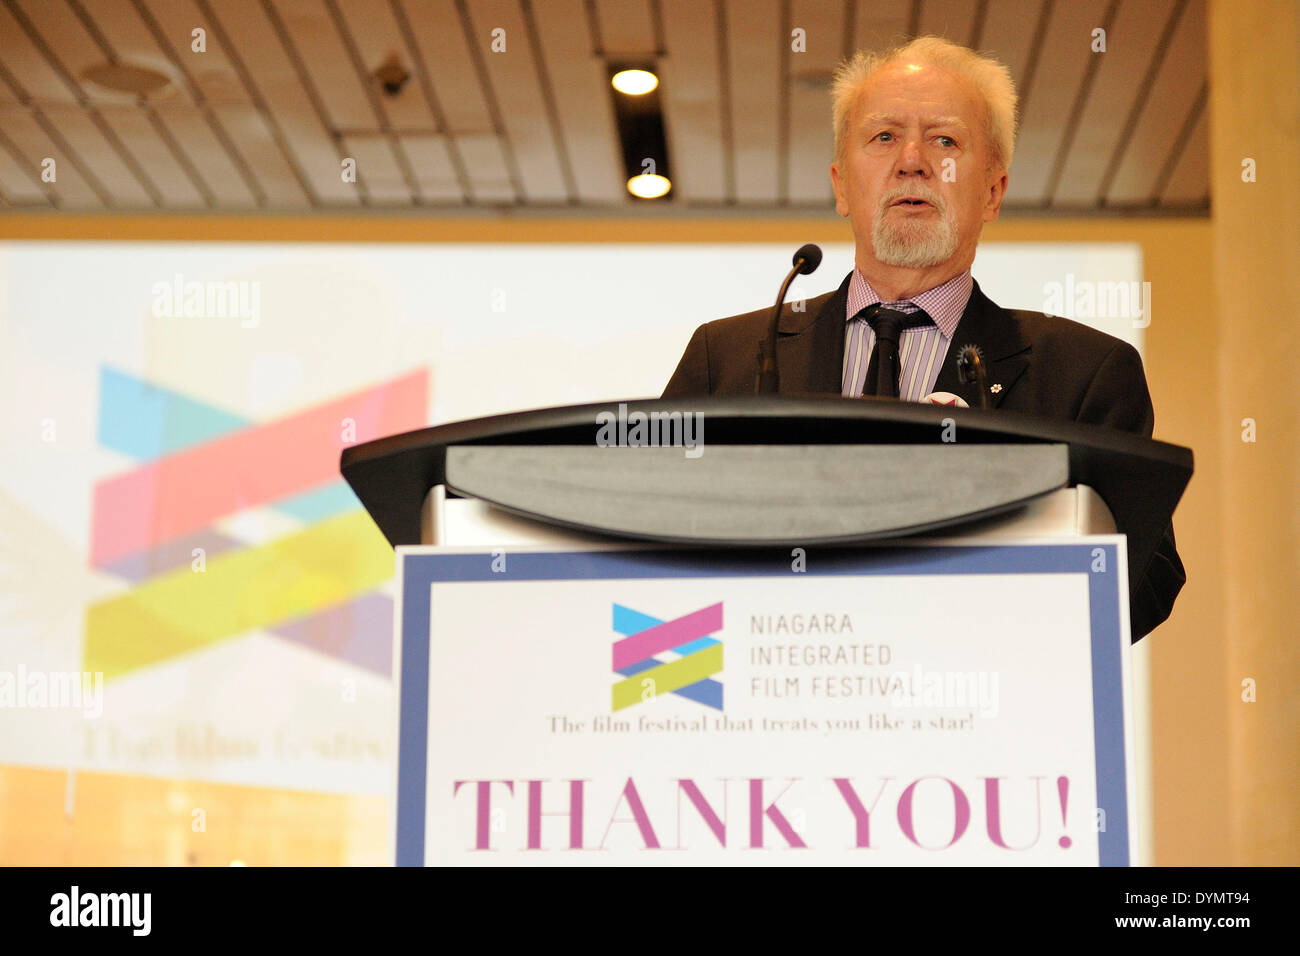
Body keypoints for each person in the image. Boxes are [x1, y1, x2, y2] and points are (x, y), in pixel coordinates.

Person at [662, 36, 1184, 639]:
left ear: (992, 191)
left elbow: (1146, 580)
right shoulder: (724, 360)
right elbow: (649, 543)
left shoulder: (1085, 373)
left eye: (945, 140)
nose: (912, 161)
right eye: (884, 137)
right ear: (840, 185)